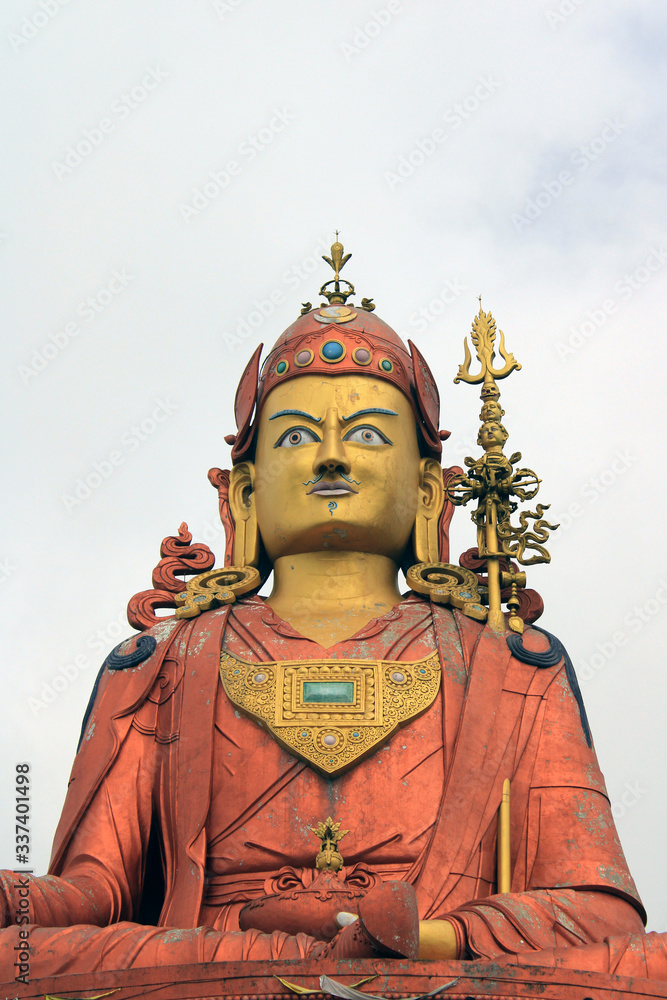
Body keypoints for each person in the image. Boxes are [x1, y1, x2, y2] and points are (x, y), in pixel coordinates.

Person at [1, 261, 666, 983]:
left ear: (427, 491)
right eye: (293, 438)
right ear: (246, 492)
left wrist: (430, 936)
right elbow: (94, 895)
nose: (329, 458)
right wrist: (17, 897)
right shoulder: (162, 660)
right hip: (213, 957)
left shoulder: (509, 661)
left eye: (368, 435)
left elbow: (597, 912)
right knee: (20, 957)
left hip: (426, 961)